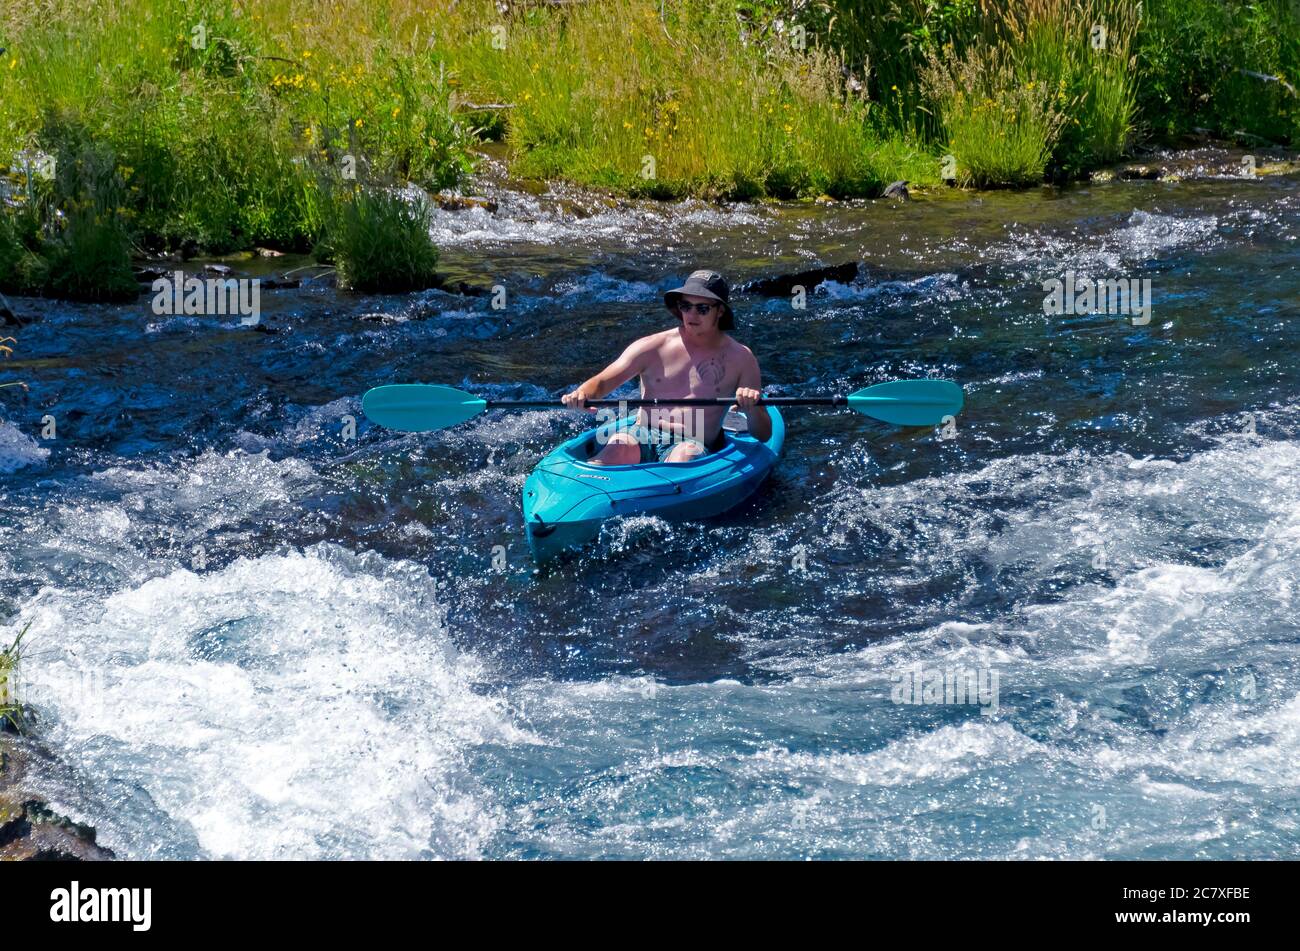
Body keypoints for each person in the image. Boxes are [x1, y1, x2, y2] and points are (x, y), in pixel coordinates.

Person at [562, 270, 772, 464]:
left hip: (694, 442)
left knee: (686, 454)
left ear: (720, 312)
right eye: (686, 306)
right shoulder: (652, 346)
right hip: (641, 433)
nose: (692, 314)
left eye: (702, 308)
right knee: (618, 446)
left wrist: (752, 407)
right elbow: (602, 383)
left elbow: (763, 434)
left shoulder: (742, 358)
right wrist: (582, 393)